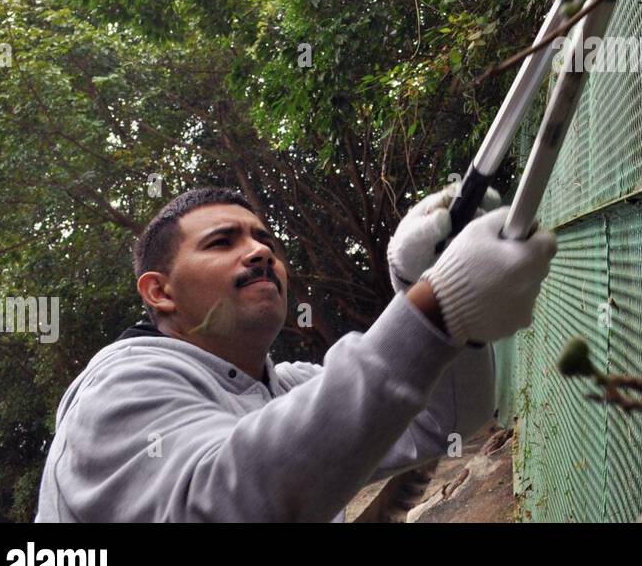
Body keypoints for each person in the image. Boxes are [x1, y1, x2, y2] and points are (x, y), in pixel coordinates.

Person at [34, 184, 556, 522]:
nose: (260, 251)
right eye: (222, 242)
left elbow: (445, 422)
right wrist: (439, 305)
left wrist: (419, 283)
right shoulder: (119, 386)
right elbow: (220, 506)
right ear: (160, 292)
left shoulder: (286, 386)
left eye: (264, 240)